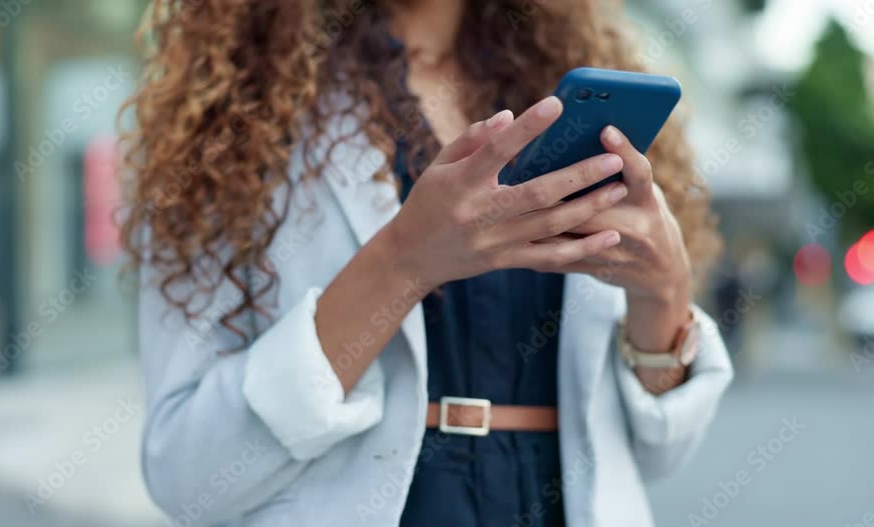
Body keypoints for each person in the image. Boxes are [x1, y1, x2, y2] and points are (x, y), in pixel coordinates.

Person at [119, 1, 733, 525]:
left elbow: (656, 457)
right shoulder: (234, 112)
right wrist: (403, 262)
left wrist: (663, 295)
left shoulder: (562, 91)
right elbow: (186, 474)